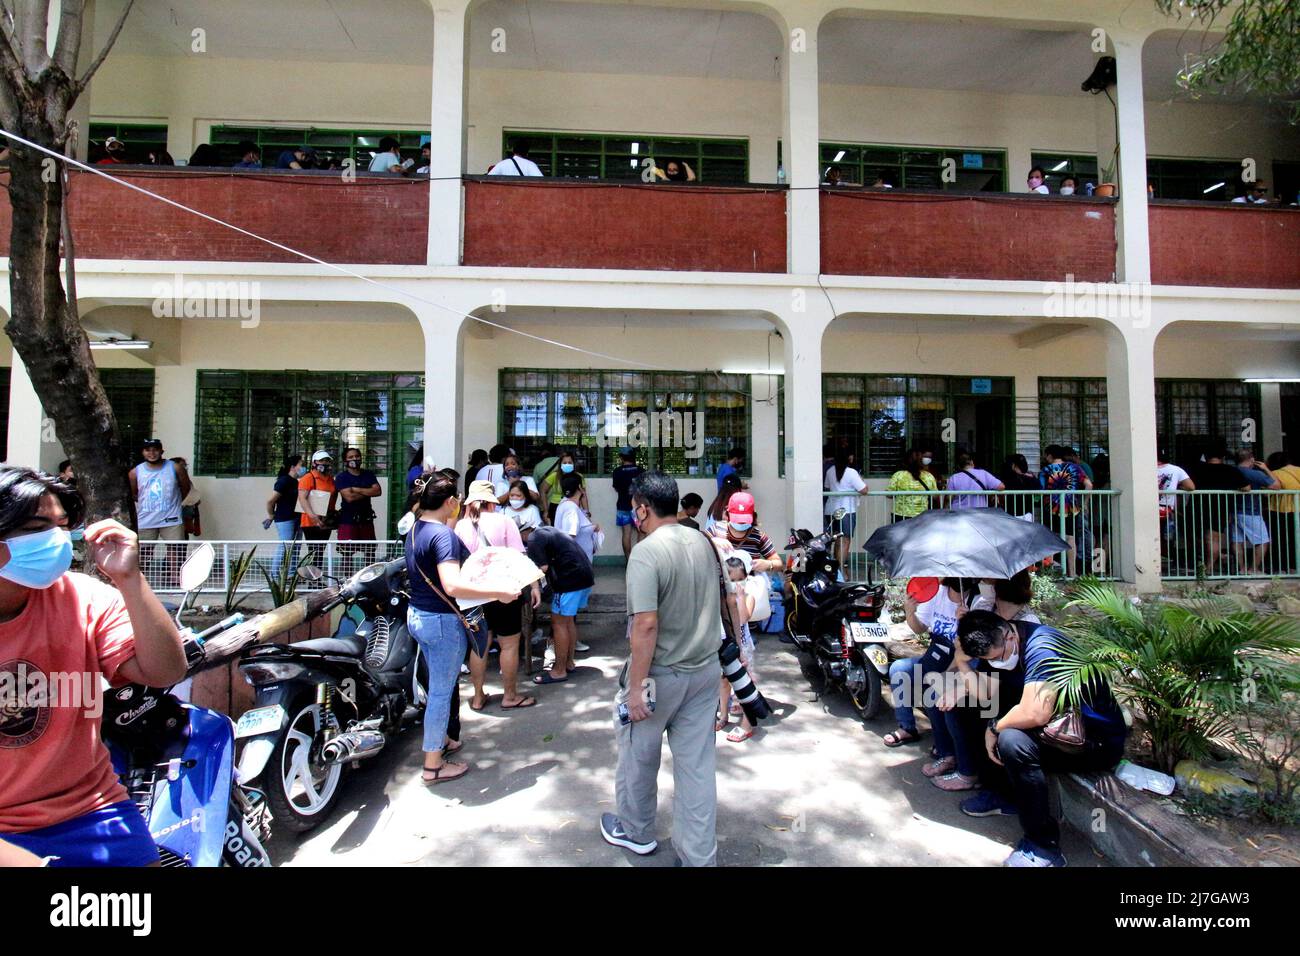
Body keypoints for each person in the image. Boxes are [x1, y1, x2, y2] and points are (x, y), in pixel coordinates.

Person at [0, 466, 186, 867]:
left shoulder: (82, 597)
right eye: (37, 527)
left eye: (61, 526)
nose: (56, 539)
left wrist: (129, 579)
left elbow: (164, 671)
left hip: (92, 809)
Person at [599, 472, 721, 866]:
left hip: (660, 676)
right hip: (704, 672)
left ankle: (635, 831)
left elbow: (645, 624)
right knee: (697, 769)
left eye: (635, 506)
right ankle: (699, 855)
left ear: (643, 509)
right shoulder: (703, 541)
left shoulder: (646, 552)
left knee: (639, 756)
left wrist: (635, 689)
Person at [954, 610, 1127, 867]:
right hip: (1054, 730)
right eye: (988, 659)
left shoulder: (1043, 646)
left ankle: (1043, 847)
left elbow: (1036, 713)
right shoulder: (1000, 643)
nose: (998, 662)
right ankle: (1004, 795)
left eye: (998, 656)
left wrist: (994, 728)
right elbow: (983, 697)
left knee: (1012, 741)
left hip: (1091, 740)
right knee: (969, 709)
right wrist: (962, 662)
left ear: (1009, 633)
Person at [406, 475, 519, 784]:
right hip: (441, 622)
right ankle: (433, 766)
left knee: (437, 688)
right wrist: (499, 592)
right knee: (442, 693)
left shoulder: (415, 528)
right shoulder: (442, 536)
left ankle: (441, 740)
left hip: (418, 615)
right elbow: (452, 584)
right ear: (450, 502)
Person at [455, 481, 540, 712]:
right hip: (504, 592)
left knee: (479, 646)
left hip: (473, 595)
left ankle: (478, 696)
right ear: (492, 502)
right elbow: (519, 557)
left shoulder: (461, 526)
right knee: (509, 645)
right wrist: (534, 585)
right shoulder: (505, 521)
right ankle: (510, 695)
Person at [526, 525, 595, 686]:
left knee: (559, 624)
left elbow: (541, 568)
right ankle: (568, 663)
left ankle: (559, 670)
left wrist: (533, 585)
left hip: (569, 579)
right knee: (568, 621)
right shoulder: (548, 531)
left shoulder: (533, 538)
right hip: (584, 575)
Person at [129, 438, 190, 585]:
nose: (152, 453)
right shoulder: (135, 472)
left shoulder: (175, 467)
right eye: (148, 450)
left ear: (162, 451)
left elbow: (185, 487)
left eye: (155, 449)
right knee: (144, 549)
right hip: (146, 517)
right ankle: (141, 577)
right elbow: (133, 493)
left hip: (171, 516)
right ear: (142, 452)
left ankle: (175, 577)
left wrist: (174, 502)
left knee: (174, 547)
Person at [717, 553, 762, 743]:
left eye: (740, 579)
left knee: (745, 684)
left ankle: (747, 723)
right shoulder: (721, 597)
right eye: (732, 580)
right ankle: (724, 715)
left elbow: (743, 618)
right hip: (725, 647)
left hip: (743, 647)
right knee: (723, 681)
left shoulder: (748, 596)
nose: (736, 584)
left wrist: (740, 598)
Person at [1191, 446, 1249, 576]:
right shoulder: (1230, 470)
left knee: (1199, 538)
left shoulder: (1197, 470)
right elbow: (1246, 488)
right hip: (1220, 507)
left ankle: (1205, 567)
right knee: (1213, 539)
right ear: (1222, 458)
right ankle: (1209, 568)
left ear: (1206, 457)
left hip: (1197, 507)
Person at [1039, 445, 1091, 576]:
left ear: (1050, 455)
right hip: (1071, 507)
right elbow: (1089, 485)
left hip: (1051, 507)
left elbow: (1040, 489)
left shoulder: (1046, 470)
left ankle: (1049, 571)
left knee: (1050, 538)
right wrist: (1084, 503)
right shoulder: (1075, 468)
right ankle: (1072, 573)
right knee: (1070, 538)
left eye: (1046, 455)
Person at [708, 491, 782, 572]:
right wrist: (712, 541)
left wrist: (768, 565)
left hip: (748, 583)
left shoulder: (758, 536)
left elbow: (779, 563)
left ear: (753, 516)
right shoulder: (716, 529)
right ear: (727, 514)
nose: (740, 523)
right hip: (721, 583)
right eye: (737, 519)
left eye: (744, 520)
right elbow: (697, 544)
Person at [1231, 449, 1279, 575]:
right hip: (1251, 512)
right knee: (1263, 541)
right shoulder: (1254, 474)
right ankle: (1253, 569)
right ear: (1252, 459)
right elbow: (1276, 486)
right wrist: (1266, 469)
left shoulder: (1232, 471)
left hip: (1234, 512)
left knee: (1237, 541)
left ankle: (1241, 569)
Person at [334, 447, 381, 567]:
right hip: (347, 519)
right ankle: (347, 580)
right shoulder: (341, 477)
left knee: (370, 551)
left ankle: (370, 580)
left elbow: (377, 491)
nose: (354, 459)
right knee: (347, 552)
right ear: (345, 460)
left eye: (357, 456)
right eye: (350, 457)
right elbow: (349, 497)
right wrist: (367, 491)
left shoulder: (368, 474)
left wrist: (356, 489)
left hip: (366, 518)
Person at [823, 448, 867, 568]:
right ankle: (840, 570)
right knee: (844, 540)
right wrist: (861, 479)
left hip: (830, 509)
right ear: (849, 458)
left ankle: (832, 570)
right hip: (846, 511)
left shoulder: (830, 471)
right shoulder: (851, 472)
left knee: (834, 539)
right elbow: (864, 490)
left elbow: (827, 486)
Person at [265, 454, 305, 580]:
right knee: (285, 546)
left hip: (297, 518)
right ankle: (274, 576)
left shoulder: (296, 482)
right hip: (284, 519)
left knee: (296, 547)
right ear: (293, 467)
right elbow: (270, 501)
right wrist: (271, 515)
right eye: (301, 465)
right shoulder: (283, 481)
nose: (303, 467)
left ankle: (292, 575)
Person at [1157, 448, 1195, 573]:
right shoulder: (1176, 469)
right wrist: (1177, 486)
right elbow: (1190, 486)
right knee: (1168, 538)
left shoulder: (1144, 468)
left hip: (1147, 508)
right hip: (1165, 509)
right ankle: (1170, 562)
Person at [297, 450, 338, 564]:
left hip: (326, 520)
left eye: (327, 460)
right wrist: (313, 516)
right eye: (321, 460)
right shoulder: (308, 477)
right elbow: (302, 498)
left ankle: (317, 578)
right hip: (311, 521)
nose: (324, 463)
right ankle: (313, 578)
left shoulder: (330, 479)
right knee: (314, 551)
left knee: (321, 550)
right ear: (314, 462)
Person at [1267, 451, 1300, 573]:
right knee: (1296, 539)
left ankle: (1281, 567)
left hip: (1280, 510)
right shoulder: (1299, 470)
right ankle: (1295, 566)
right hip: (1298, 509)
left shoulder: (1275, 474)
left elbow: (1267, 489)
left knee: (1281, 540)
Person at [555, 472, 600, 561]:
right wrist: (592, 528)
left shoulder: (567, 504)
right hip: (576, 563)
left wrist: (591, 528)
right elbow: (570, 535)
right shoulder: (571, 509)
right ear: (580, 487)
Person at [887, 447, 938, 520]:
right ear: (921, 462)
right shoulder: (928, 476)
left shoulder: (898, 475)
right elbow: (935, 496)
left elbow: (889, 494)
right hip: (922, 515)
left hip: (900, 515)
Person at [612, 447, 644, 560]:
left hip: (623, 506)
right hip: (639, 507)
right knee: (642, 532)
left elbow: (616, 488)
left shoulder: (617, 472)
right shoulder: (641, 471)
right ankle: (639, 560)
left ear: (621, 457)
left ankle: (628, 561)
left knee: (626, 534)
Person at [542, 450, 586, 525]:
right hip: (556, 507)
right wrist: (546, 511)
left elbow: (583, 495)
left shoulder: (579, 477)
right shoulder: (554, 476)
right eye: (564, 463)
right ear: (560, 464)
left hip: (572, 507)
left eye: (569, 463)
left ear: (573, 464)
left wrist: (586, 512)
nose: (567, 464)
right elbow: (543, 491)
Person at [171, 457, 202, 538]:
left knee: (184, 538)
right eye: (182, 466)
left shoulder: (186, 480)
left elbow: (191, 494)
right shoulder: (169, 480)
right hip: (174, 516)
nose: (184, 468)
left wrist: (194, 500)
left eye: (185, 466)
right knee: (175, 540)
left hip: (187, 515)